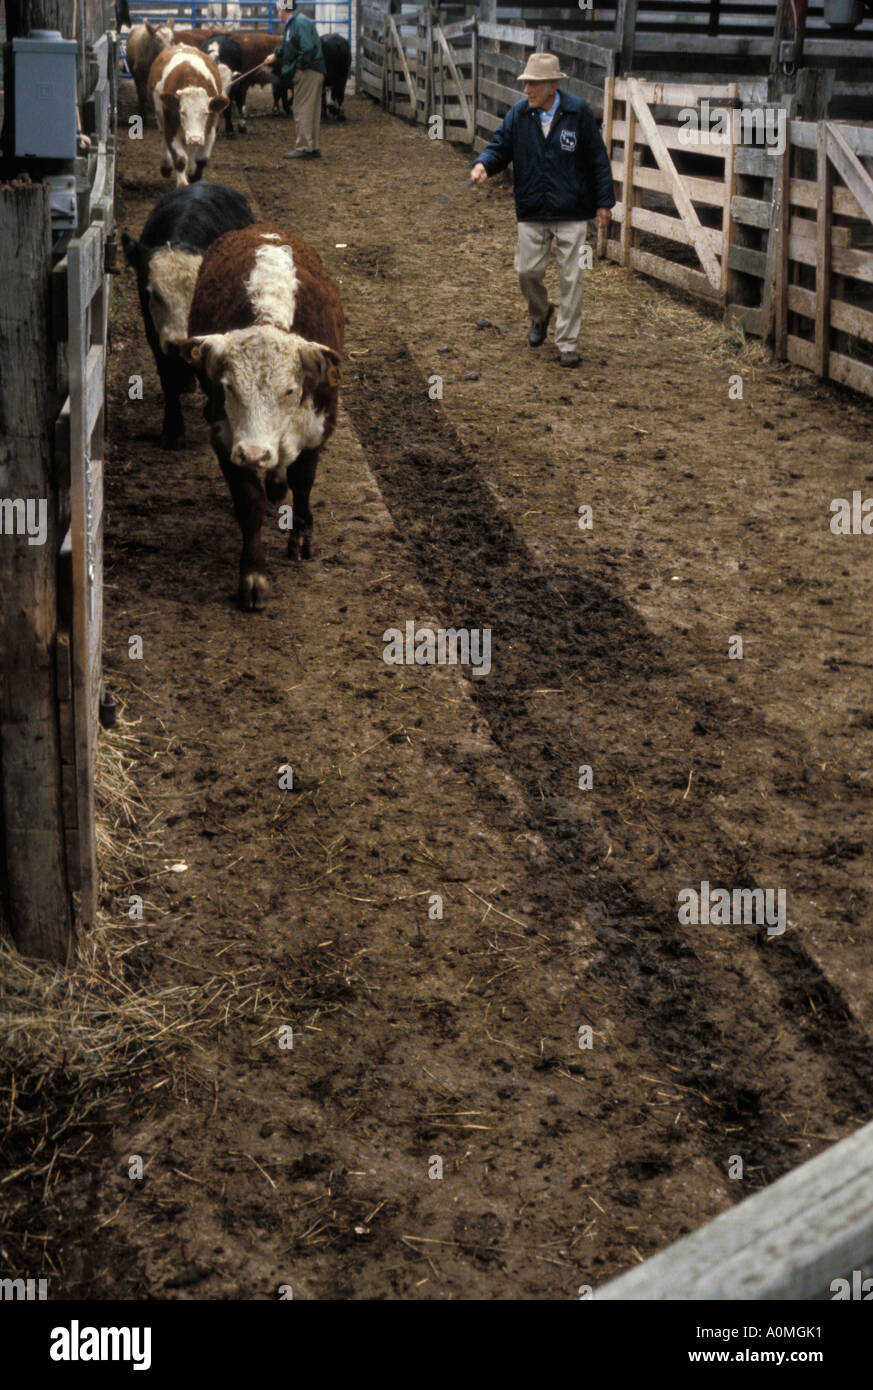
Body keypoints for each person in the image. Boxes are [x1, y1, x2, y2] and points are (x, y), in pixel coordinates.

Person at [471, 53, 615, 368]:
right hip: (533, 208)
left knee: (572, 277)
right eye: (526, 84)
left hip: (573, 210)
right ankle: (540, 313)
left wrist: (604, 202)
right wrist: (484, 164)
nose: (527, 91)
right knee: (527, 271)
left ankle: (567, 343)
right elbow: (499, 146)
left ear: (552, 85)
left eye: (533, 84)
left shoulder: (578, 113)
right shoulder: (519, 115)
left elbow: (597, 160)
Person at [266, 2, 327, 159]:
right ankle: (312, 147)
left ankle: (304, 147)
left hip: (308, 72)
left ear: (283, 9)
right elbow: (290, 45)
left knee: (302, 108)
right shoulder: (296, 23)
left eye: (278, 9)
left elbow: (306, 48)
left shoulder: (298, 23)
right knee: (311, 109)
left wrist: (299, 67)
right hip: (313, 71)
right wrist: (276, 54)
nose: (277, 12)